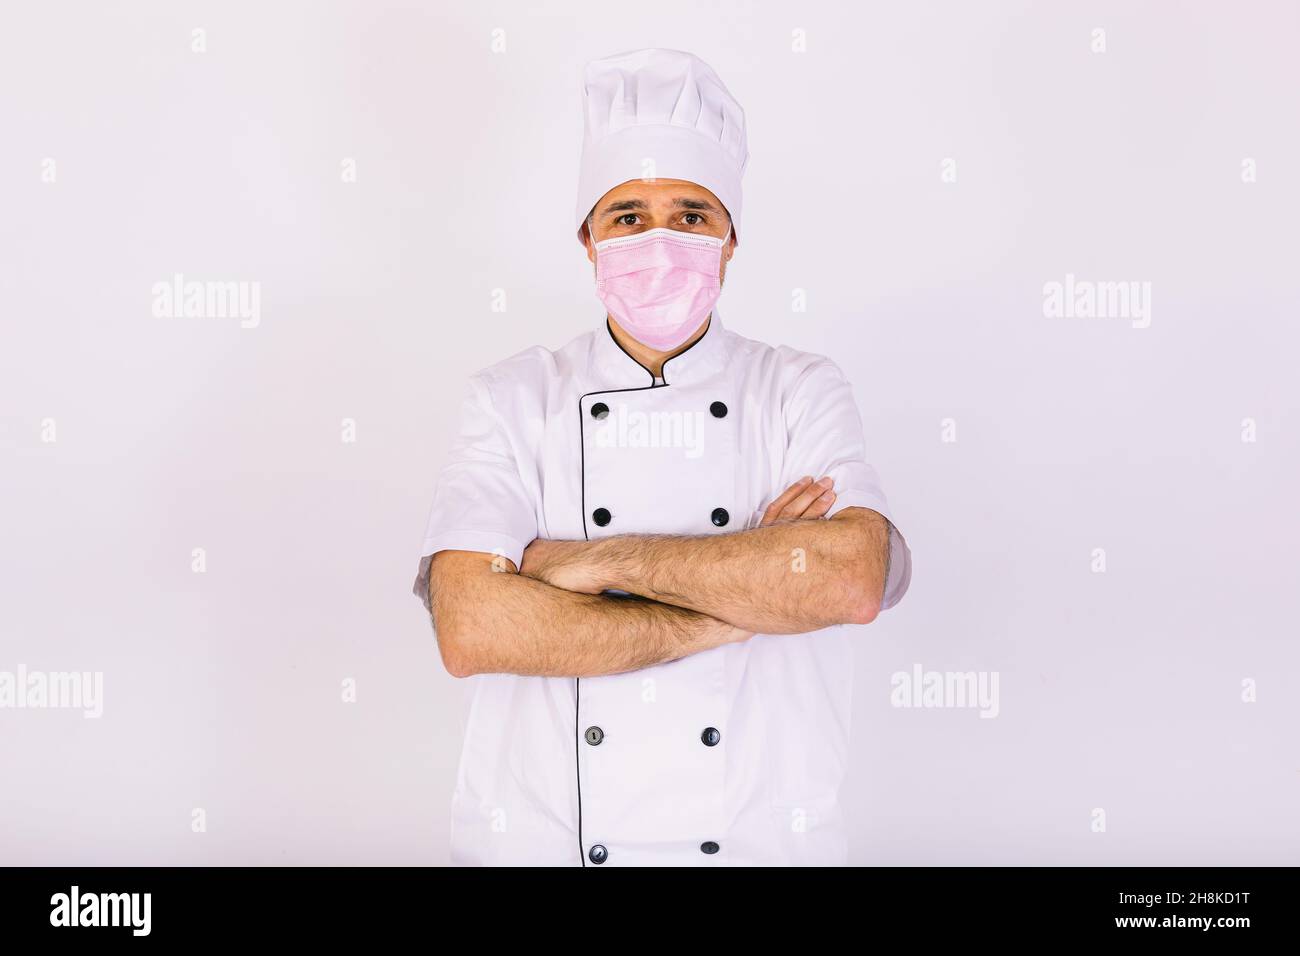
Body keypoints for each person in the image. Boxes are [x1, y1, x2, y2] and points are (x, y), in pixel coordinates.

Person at [413, 48, 912, 866]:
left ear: (730, 239)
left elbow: (851, 580)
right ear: (588, 239)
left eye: (691, 215)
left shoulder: (797, 389)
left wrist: (587, 562)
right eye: (627, 216)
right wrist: (746, 600)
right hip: (547, 846)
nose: (659, 241)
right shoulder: (510, 398)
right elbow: (472, 627)